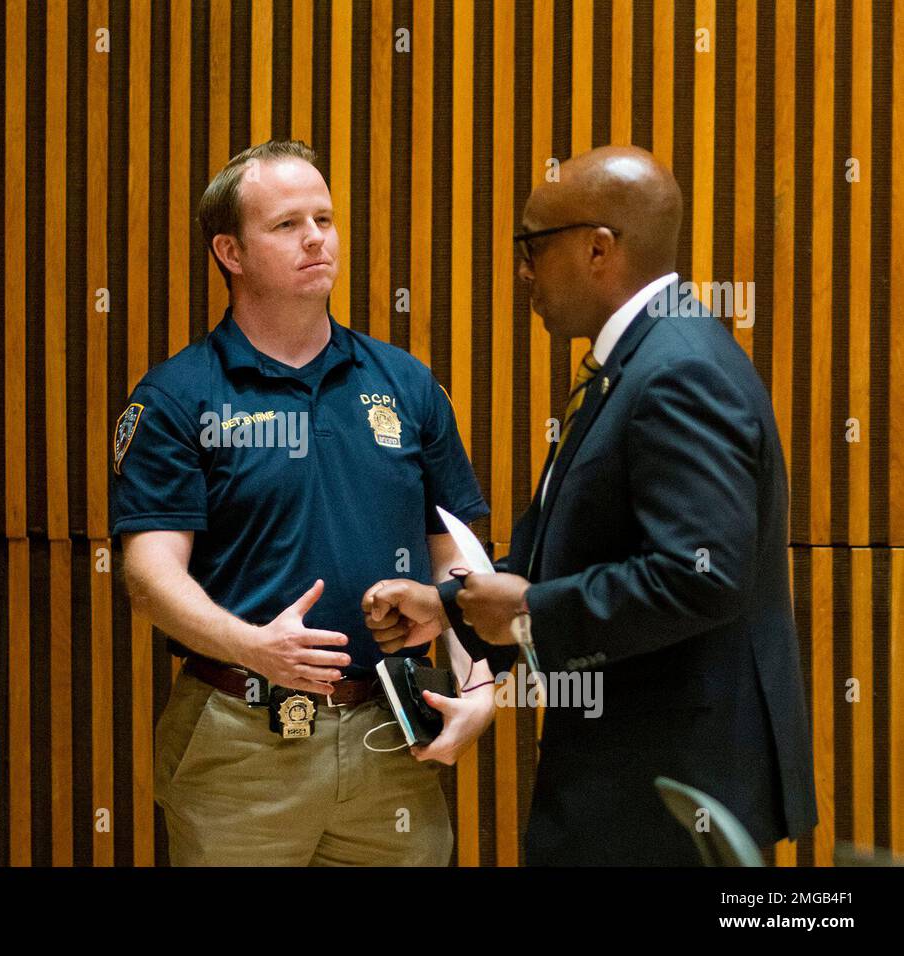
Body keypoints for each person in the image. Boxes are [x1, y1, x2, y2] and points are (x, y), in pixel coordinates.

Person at [363, 145, 818, 865]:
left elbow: (703, 575)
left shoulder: (677, 370)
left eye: (533, 247)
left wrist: (530, 610)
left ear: (600, 248)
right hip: (646, 775)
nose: (522, 272)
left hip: (667, 788)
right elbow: (595, 551)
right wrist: (448, 607)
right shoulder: (644, 360)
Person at [111, 139, 498, 866]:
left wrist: (478, 678)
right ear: (230, 250)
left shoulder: (406, 384)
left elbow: (456, 550)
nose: (317, 237)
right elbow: (149, 575)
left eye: (324, 217)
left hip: (392, 732)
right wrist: (251, 646)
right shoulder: (177, 397)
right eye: (287, 224)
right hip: (240, 741)